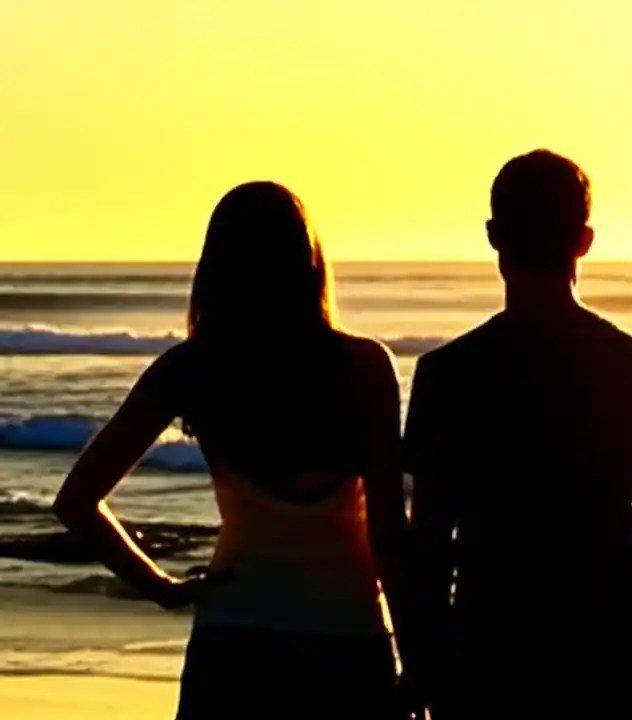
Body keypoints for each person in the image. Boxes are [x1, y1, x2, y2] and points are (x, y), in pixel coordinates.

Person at [54, 182, 418, 719]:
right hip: (345, 636)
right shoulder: (364, 368)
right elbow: (388, 535)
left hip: (233, 639)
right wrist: (418, 663)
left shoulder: (192, 368)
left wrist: (159, 587)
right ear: (309, 262)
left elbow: (77, 500)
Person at [403, 150, 632, 718]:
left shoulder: (449, 373)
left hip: (485, 660)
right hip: (603, 659)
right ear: (584, 240)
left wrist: (422, 665)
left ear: (494, 237)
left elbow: (430, 544)